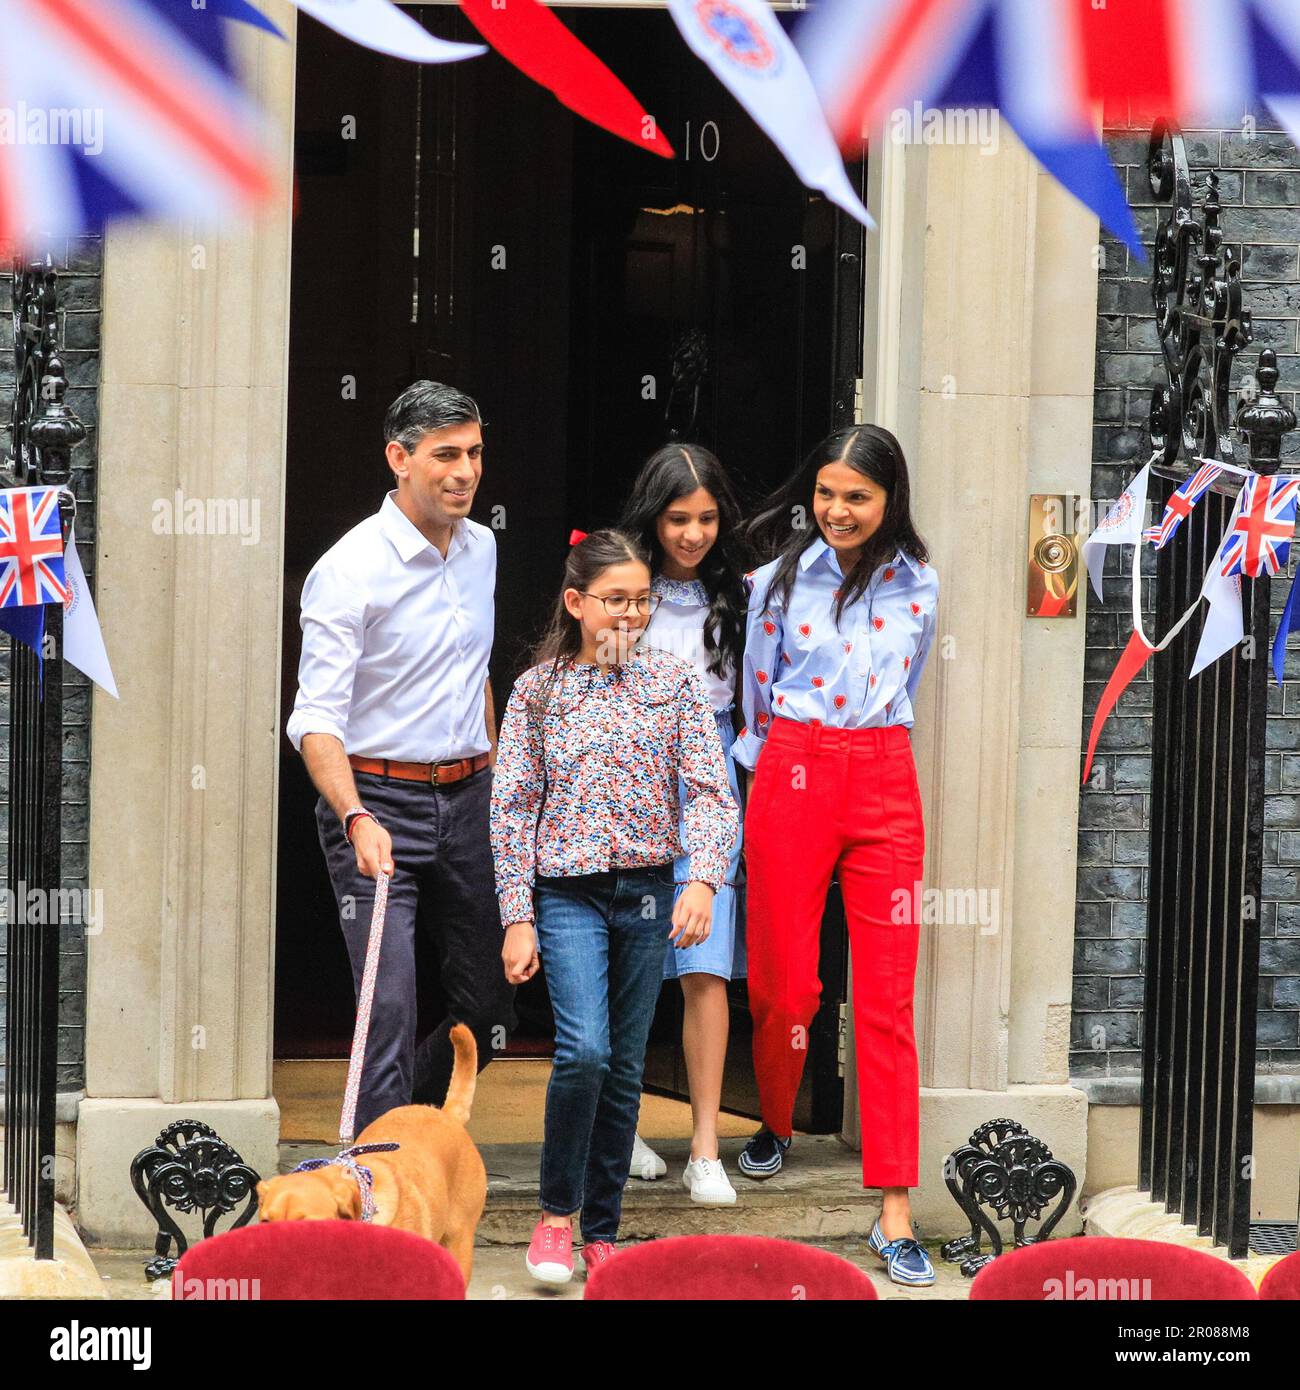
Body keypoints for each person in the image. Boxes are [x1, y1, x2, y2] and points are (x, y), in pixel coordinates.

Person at [491, 529, 738, 1285]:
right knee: (586, 1051)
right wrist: (516, 912)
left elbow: (709, 792)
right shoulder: (539, 692)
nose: (629, 616)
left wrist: (703, 881)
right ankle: (555, 1216)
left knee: (626, 1064)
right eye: (614, 602)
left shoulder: (677, 682)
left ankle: (602, 1227)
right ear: (577, 602)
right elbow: (510, 808)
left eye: (641, 601)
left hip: (646, 892)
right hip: (565, 893)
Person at [731, 424, 940, 1288]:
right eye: (826, 494)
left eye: (857, 496)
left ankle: (893, 1205)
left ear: (889, 500)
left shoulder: (919, 582)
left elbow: (910, 680)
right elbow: (754, 691)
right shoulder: (774, 580)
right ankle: (776, 1119)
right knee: (786, 982)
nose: (837, 511)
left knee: (887, 998)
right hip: (793, 767)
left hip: (885, 775)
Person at [286, 380, 515, 1137]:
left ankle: (407, 1132)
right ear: (399, 458)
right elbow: (316, 718)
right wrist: (353, 815)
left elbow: (473, 672)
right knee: (386, 1007)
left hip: (471, 798)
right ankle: (376, 1184)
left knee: (488, 1001)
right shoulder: (350, 569)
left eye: (475, 453)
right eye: (445, 454)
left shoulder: (481, 548)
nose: (465, 471)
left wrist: (500, 777)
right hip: (377, 804)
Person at [617, 445, 748, 1204]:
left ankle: (705, 1148)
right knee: (628, 961)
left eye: (705, 518)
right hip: (630, 784)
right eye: (677, 519)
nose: (693, 533)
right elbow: (595, 680)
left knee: (705, 968)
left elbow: (756, 698)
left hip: (710, 787)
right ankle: (622, 1125)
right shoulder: (624, 589)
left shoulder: (743, 595)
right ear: (652, 516)